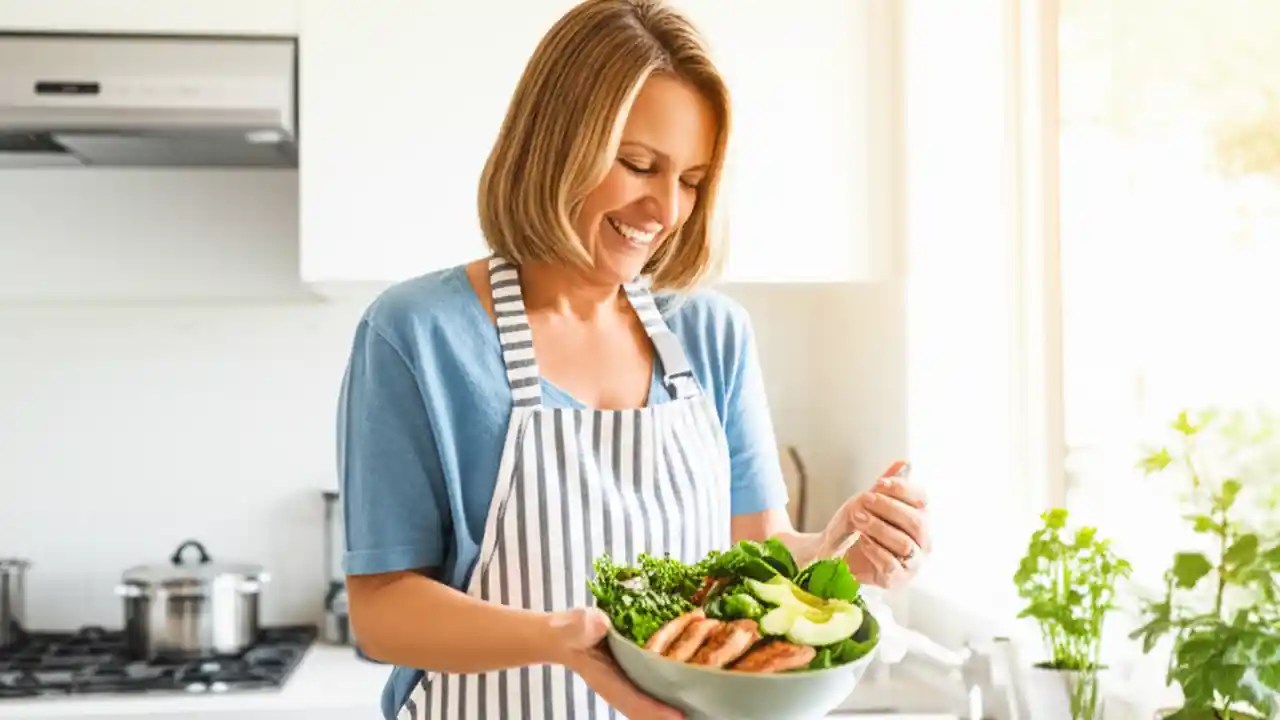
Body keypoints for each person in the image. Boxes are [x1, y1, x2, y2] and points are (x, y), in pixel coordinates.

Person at [336, 1, 932, 718]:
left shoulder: (712, 335)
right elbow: (382, 609)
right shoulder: (419, 335)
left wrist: (843, 552)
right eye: (639, 165)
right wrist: (562, 638)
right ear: (556, 143)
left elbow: (761, 548)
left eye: (690, 180)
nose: (665, 210)